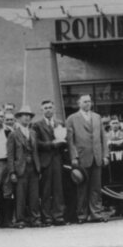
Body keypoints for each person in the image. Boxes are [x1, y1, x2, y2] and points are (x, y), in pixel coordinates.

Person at [66, 95, 109, 223]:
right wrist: (73, 156)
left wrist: (105, 155)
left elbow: (103, 138)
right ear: (79, 103)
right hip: (81, 157)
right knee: (82, 188)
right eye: (85, 101)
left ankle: (96, 213)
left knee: (96, 187)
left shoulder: (97, 117)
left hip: (97, 157)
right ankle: (82, 215)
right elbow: (70, 140)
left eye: (89, 101)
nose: (88, 104)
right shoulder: (72, 119)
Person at [32, 100, 67, 226]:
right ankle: (46, 217)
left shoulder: (60, 123)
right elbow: (36, 143)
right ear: (41, 110)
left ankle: (59, 216)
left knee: (58, 189)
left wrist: (63, 143)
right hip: (45, 161)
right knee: (46, 191)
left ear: (54, 109)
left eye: (50, 107)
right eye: (45, 108)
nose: (48, 110)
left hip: (57, 160)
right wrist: (51, 144)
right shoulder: (36, 125)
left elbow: (64, 140)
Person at [8, 106, 42, 228]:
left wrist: (38, 168)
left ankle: (35, 219)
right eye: (24, 115)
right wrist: (12, 172)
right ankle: (20, 220)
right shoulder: (13, 134)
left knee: (34, 195)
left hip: (33, 167)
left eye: (29, 115)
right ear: (18, 118)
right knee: (20, 196)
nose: (27, 117)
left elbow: (36, 151)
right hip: (20, 169)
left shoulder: (33, 133)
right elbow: (10, 155)